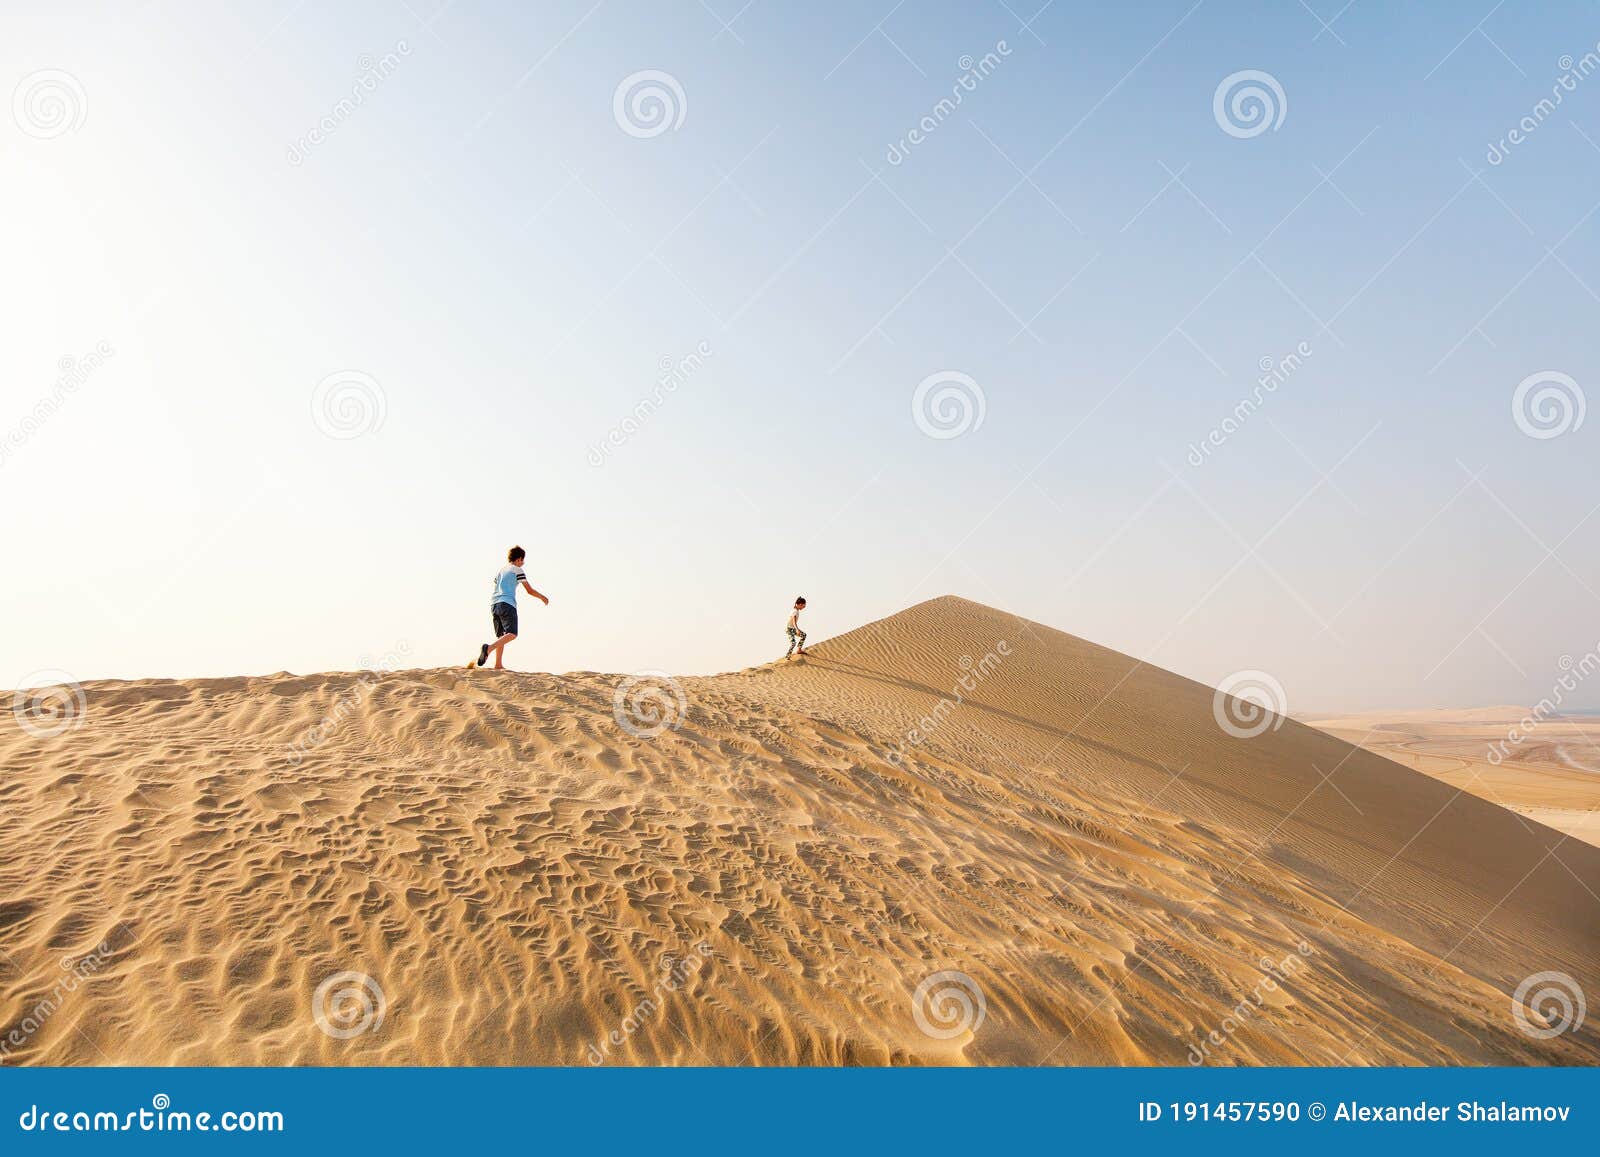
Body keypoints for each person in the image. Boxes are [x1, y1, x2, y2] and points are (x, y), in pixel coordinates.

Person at [475, 546, 548, 670]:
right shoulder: (517, 570)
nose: (523, 563)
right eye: (523, 561)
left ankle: (498, 664)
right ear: (519, 559)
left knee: (501, 636)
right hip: (507, 604)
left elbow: (496, 585)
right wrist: (542, 597)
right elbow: (529, 590)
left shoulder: (501, 570)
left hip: (494, 604)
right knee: (512, 634)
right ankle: (489, 648)